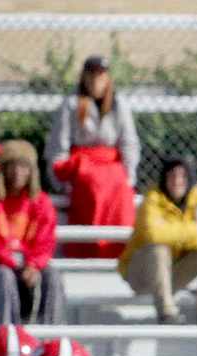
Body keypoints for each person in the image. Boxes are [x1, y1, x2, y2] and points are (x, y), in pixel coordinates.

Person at [46, 56, 138, 260]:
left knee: (121, 189)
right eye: (92, 74)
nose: (96, 79)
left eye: (101, 74)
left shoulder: (118, 103)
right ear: (84, 77)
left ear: (108, 77)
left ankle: (117, 250)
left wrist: (129, 178)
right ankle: (91, 249)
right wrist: (61, 182)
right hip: (83, 168)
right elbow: (58, 148)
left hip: (111, 166)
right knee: (92, 186)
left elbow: (128, 142)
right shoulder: (71, 104)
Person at [118, 158, 197, 326]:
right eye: (171, 176)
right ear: (164, 179)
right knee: (159, 249)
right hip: (142, 275)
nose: (177, 181)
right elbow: (154, 234)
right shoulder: (152, 200)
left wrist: (172, 231)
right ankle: (166, 313)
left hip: (172, 273)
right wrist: (196, 229)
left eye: (183, 176)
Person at [0, 140, 63, 326]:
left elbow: (46, 243)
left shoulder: (41, 202)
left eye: (23, 166)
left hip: (29, 264)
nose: (17, 172)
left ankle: (50, 336)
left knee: (53, 276)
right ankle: (7, 337)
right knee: (3, 276)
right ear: (2, 170)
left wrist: (32, 265)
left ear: (32, 171)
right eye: (11, 166)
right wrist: (13, 263)